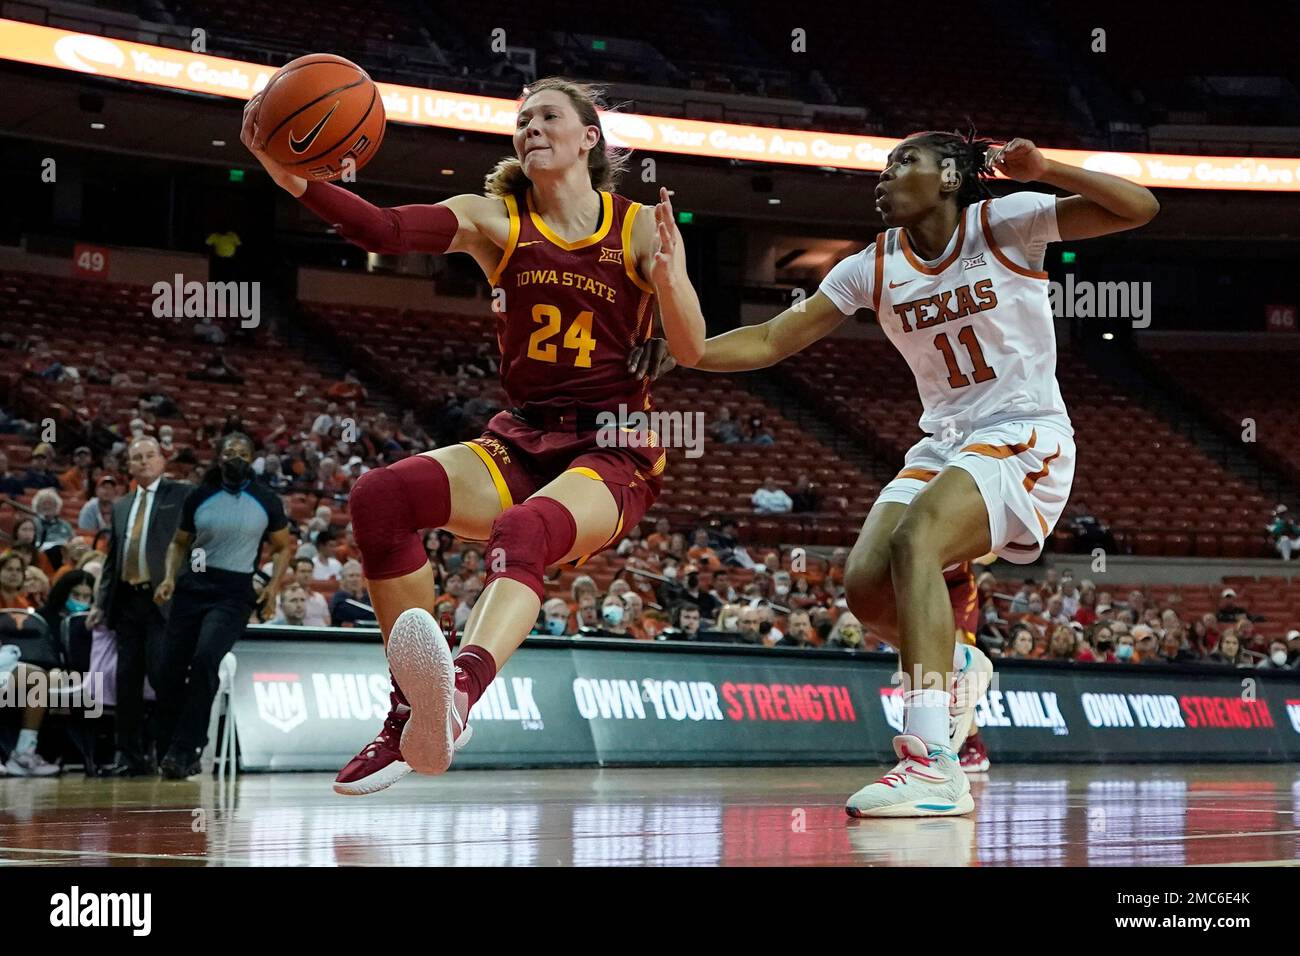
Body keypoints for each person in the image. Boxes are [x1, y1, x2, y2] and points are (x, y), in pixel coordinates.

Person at [243, 77, 704, 796]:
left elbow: (693, 344)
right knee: (381, 496)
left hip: (614, 446)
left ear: (590, 138)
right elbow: (382, 231)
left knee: (523, 529)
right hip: (524, 438)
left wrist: (671, 284)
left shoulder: (641, 226)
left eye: (547, 116)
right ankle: (410, 715)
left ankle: (457, 693)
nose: (529, 128)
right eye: (520, 121)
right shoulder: (493, 220)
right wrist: (288, 175)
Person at [678, 128, 1157, 817]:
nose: (885, 174)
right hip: (944, 443)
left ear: (953, 177)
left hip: (1024, 433)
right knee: (866, 590)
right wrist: (682, 352)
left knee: (917, 541)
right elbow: (771, 338)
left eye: (905, 161)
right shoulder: (869, 267)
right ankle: (958, 666)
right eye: (885, 164)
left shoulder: (1003, 223)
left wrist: (1045, 168)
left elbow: (1139, 207)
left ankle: (934, 761)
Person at [151, 432, 294, 778]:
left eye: (242, 452)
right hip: (193, 586)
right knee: (168, 671)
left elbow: (282, 547)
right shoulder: (200, 495)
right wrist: (170, 577)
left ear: (252, 458)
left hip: (233, 592)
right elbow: (179, 543)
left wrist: (273, 589)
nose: (235, 457)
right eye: (229, 451)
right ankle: (169, 748)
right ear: (218, 458)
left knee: (204, 660)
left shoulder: (267, 500)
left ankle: (188, 747)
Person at [88, 436, 193, 777]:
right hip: (127, 601)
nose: (144, 462)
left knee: (164, 677)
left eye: (150, 456)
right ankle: (128, 755)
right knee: (127, 681)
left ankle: (171, 753)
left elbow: (193, 547)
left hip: (163, 601)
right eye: (137, 458)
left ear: (163, 460)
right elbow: (111, 560)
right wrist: (100, 604)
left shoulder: (182, 495)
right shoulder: (121, 506)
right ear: (129, 466)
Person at [330, 560, 377, 627]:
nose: (355, 579)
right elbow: (347, 613)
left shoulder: (369, 598)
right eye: (351, 576)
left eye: (358, 575)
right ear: (343, 580)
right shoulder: (339, 598)